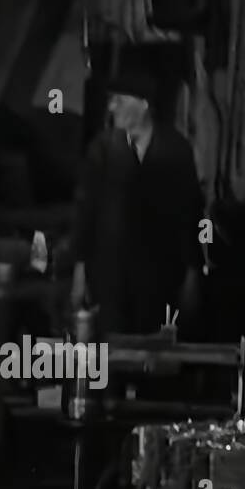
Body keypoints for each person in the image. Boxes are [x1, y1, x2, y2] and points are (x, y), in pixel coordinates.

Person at [70, 65, 205, 337]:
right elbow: (86, 213)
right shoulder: (103, 149)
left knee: (153, 359)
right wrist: (79, 273)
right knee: (112, 356)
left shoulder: (176, 150)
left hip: (159, 279)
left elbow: (191, 214)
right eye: (111, 100)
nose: (111, 107)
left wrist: (193, 274)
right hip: (110, 277)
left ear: (143, 104)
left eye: (119, 100)